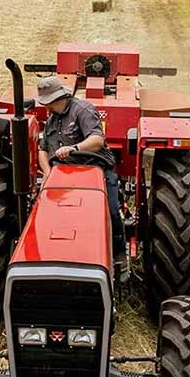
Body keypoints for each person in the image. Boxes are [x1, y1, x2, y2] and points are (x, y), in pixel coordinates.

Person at [34, 75, 129, 280]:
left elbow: (96, 140)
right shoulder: (51, 120)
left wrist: (74, 148)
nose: (46, 107)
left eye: (47, 102)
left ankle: (119, 255)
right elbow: (42, 150)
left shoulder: (83, 110)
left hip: (94, 170)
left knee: (111, 210)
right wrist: (48, 175)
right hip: (62, 176)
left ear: (58, 98)